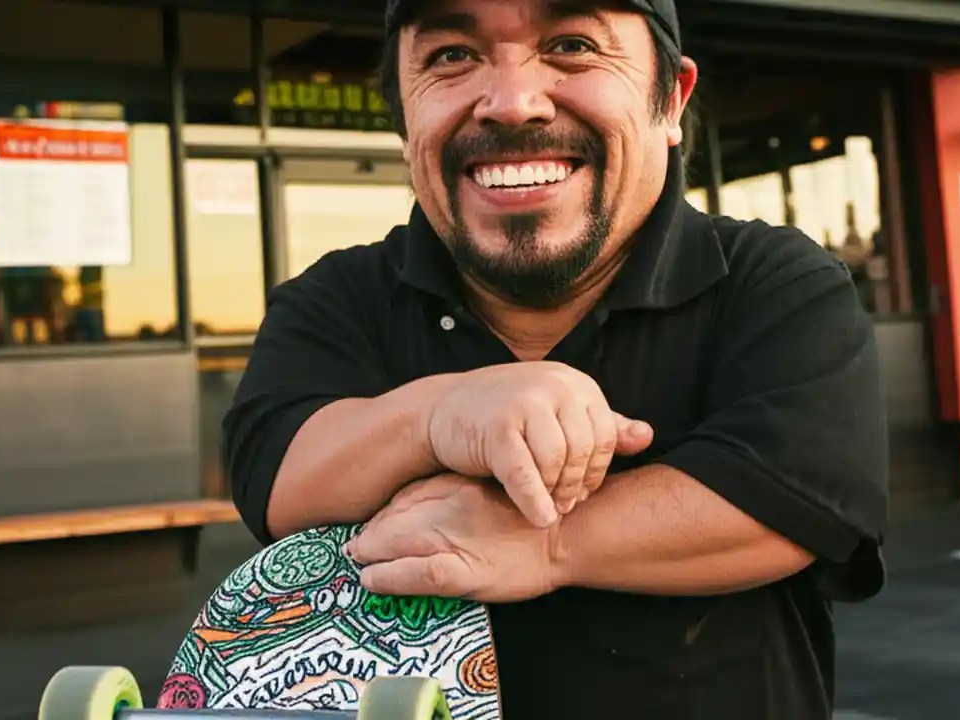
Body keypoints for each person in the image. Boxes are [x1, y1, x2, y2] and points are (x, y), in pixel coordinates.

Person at [223, 0, 888, 717]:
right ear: (404, 116)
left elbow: (801, 498)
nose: (511, 105)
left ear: (671, 100)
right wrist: (437, 415)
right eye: (451, 55)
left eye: (572, 44)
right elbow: (275, 472)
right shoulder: (336, 297)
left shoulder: (773, 282)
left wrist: (546, 544)